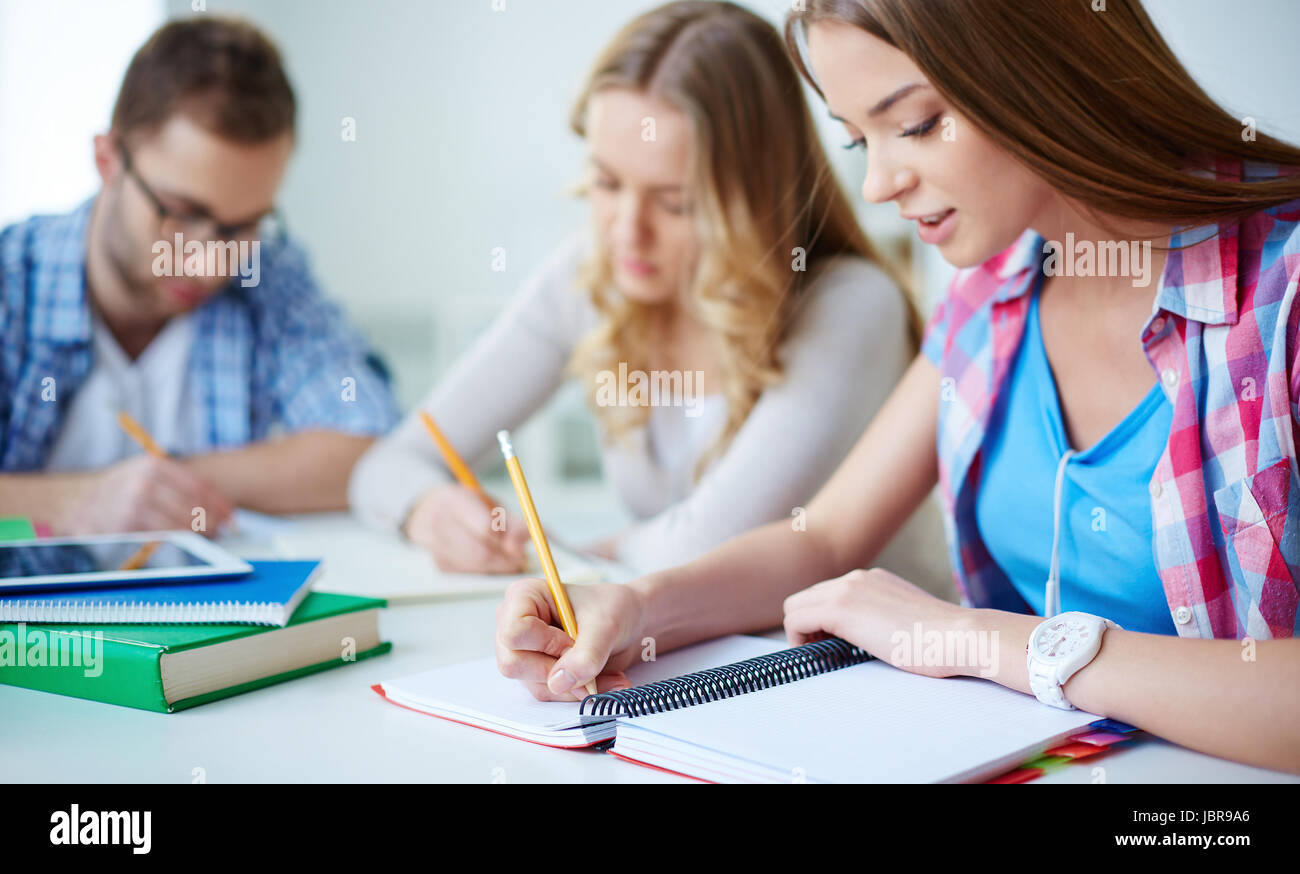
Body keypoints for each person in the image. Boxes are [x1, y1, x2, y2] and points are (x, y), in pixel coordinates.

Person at [494, 0, 1300, 773]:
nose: (878, 183)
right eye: (857, 141)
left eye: (915, 124)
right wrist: (637, 607)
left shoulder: (1284, 288)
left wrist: (981, 640)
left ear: (1045, 67)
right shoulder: (993, 287)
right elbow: (825, 538)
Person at [349, 1, 946, 588]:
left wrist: (577, 553)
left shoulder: (852, 304)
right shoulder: (590, 275)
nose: (626, 230)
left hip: (860, 669)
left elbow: (709, 544)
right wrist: (426, 510)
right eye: (606, 182)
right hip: (696, 657)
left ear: (753, 197)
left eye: (673, 202)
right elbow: (383, 467)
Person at [0, 17, 399, 535]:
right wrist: (78, 501)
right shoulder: (13, 283)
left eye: (242, 225)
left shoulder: (266, 272)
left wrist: (167, 486)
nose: (209, 262)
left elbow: (369, 445)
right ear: (108, 160)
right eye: (180, 212)